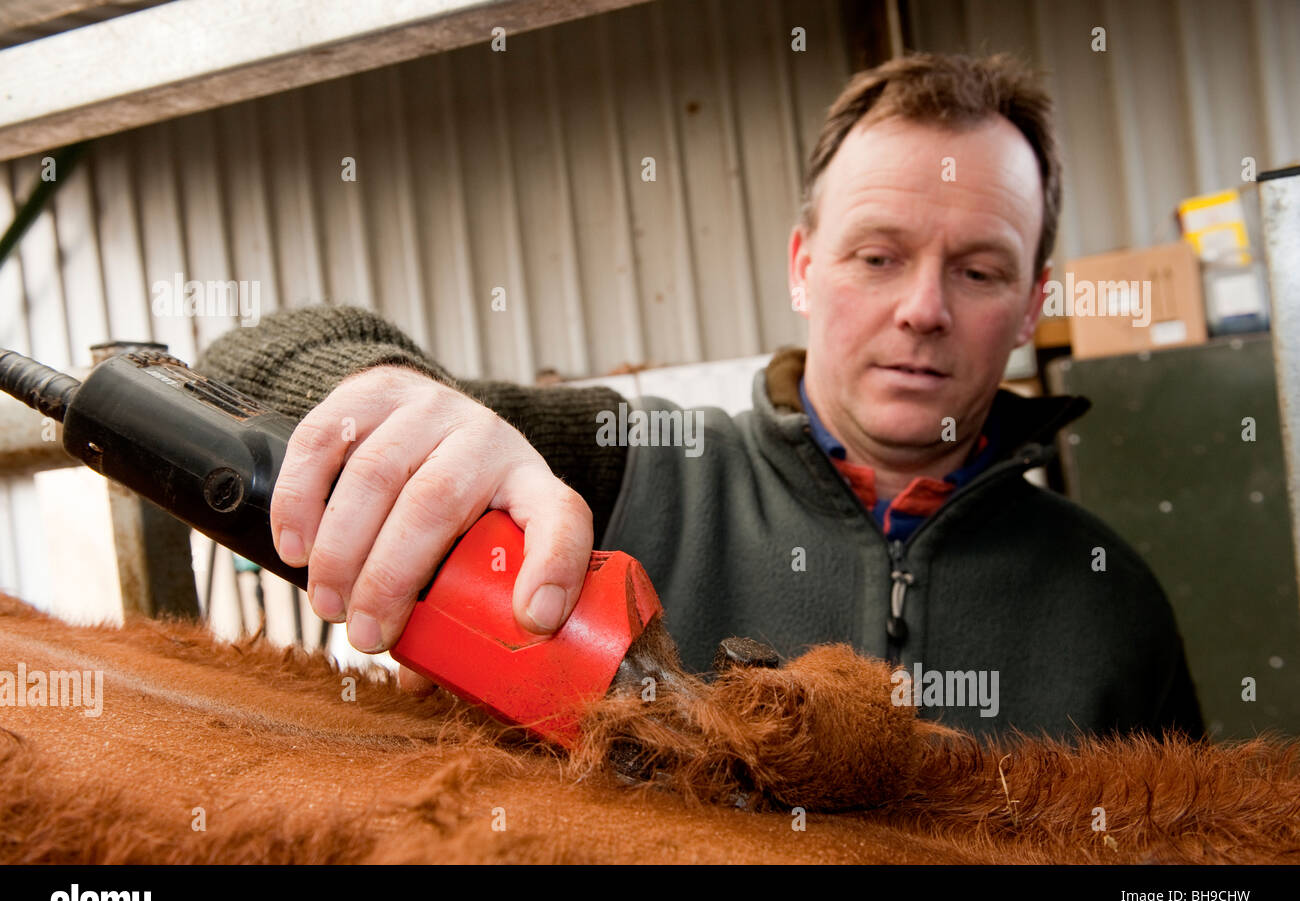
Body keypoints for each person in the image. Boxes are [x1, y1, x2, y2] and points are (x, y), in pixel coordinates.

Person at [196, 51, 1204, 740]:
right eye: (877, 256)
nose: (922, 310)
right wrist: (393, 395)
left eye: (979, 272)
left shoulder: (1109, 598)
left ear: (1033, 304)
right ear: (803, 267)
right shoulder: (619, 466)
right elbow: (237, 369)